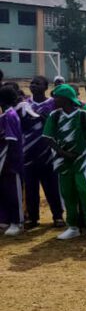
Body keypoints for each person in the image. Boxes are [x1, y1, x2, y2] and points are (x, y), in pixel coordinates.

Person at [42, 84, 86, 241]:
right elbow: (47, 137)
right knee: (67, 193)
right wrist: (62, 153)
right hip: (63, 161)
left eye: (57, 96)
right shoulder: (54, 116)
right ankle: (73, 227)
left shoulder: (83, 115)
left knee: (84, 192)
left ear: (66, 99)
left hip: (82, 160)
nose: (54, 99)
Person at [19, 76, 64, 229]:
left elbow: (59, 125)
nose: (33, 85)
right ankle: (32, 218)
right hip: (28, 153)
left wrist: (47, 121)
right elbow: (19, 126)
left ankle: (57, 216)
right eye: (32, 83)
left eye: (37, 83)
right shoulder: (25, 104)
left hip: (48, 153)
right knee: (31, 188)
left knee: (51, 187)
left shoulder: (53, 104)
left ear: (46, 87)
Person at [0, 84, 25, 236]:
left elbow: (12, 141)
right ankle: (5, 220)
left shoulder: (10, 116)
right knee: (4, 192)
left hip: (11, 164)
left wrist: (10, 163)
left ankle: (17, 222)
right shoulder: (5, 115)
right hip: (3, 164)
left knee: (13, 193)